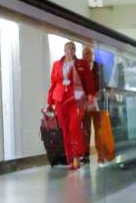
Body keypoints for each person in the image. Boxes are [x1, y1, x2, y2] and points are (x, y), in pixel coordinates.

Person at [46, 41, 94, 171]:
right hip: (60, 99)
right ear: (64, 50)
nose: (70, 51)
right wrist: (49, 102)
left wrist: (90, 95)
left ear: (75, 51)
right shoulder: (57, 64)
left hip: (76, 99)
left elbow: (88, 80)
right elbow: (53, 83)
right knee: (65, 129)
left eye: (73, 49)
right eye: (68, 49)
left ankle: (76, 158)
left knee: (75, 127)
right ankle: (69, 157)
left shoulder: (81, 64)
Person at [80, 44, 108, 164]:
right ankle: (85, 155)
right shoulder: (79, 67)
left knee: (99, 130)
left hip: (97, 103)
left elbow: (103, 84)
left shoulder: (99, 67)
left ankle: (100, 156)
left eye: (88, 53)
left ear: (92, 55)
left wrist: (96, 95)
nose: (86, 56)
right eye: (84, 54)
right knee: (85, 130)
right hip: (85, 104)